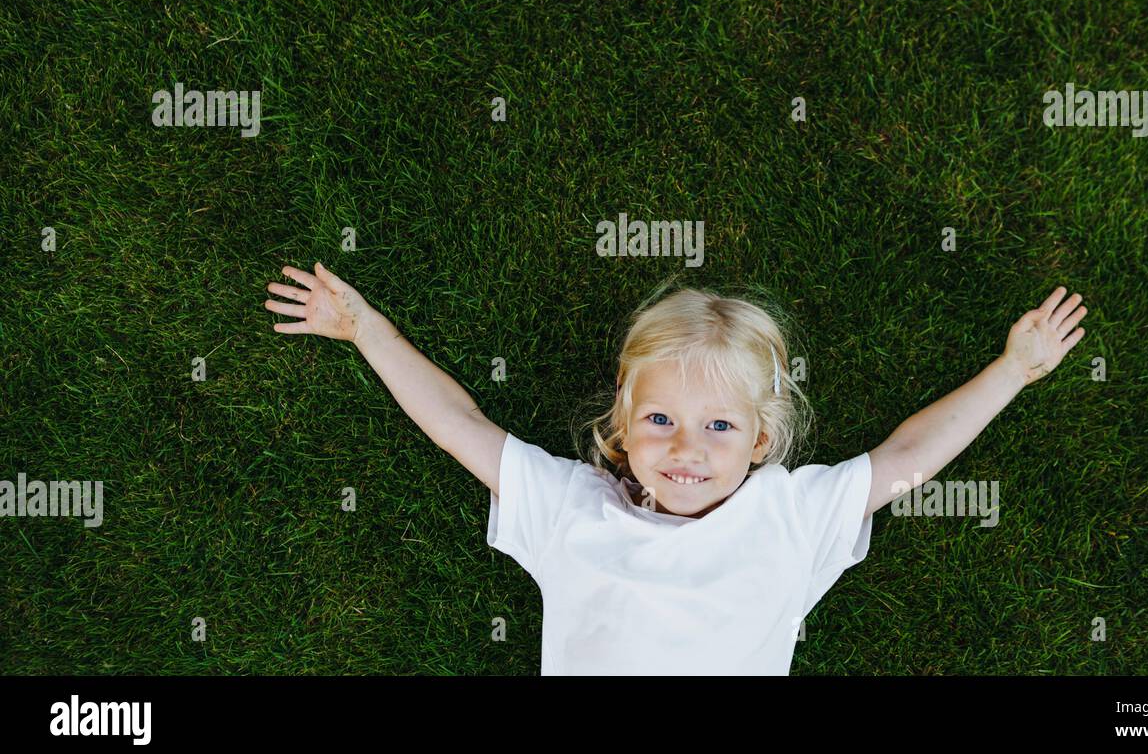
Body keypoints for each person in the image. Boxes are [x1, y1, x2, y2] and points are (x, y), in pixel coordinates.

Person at [266, 263, 1087, 674]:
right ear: (622, 426)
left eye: (719, 426)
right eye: (659, 420)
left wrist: (1013, 369)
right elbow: (460, 427)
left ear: (761, 442)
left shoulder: (792, 515)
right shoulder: (571, 509)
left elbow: (907, 460)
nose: (687, 449)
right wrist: (366, 330)